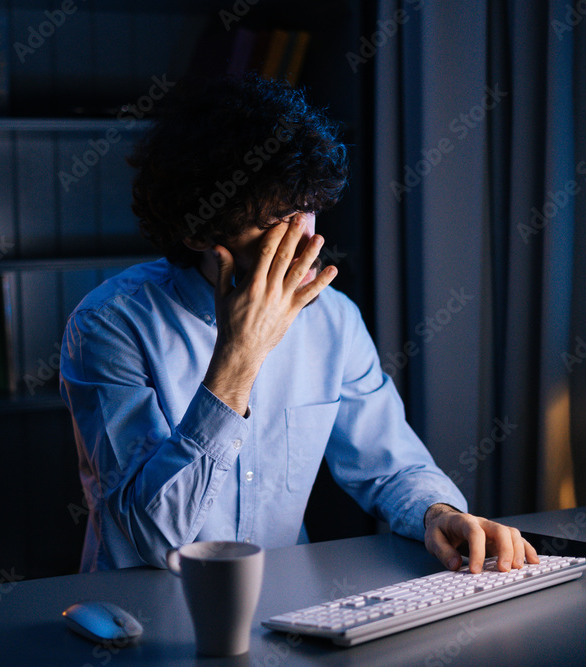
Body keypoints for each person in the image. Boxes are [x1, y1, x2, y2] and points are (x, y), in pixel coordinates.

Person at [59, 74, 537, 575]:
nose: (304, 237)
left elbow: (390, 465)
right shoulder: (109, 325)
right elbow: (149, 539)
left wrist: (439, 512)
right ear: (199, 230)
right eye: (273, 220)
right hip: (146, 615)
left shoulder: (334, 319)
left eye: (306, 209)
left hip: (282, 603)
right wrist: (237, 360)